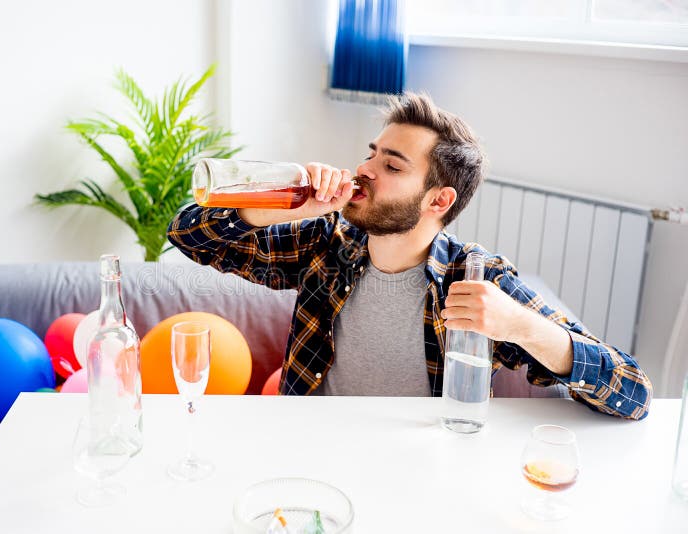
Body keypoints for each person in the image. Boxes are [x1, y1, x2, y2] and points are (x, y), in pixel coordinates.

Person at [167, 92, 652, 420]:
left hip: (422, 475)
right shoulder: (326, 244)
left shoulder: (474, 280)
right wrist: (287, 203)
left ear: (438, 200)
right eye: (372, 153)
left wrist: (518, 325)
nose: (364, 169)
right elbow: (189, 234)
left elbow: (634, 391)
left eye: (391, 165)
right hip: (311, 447)